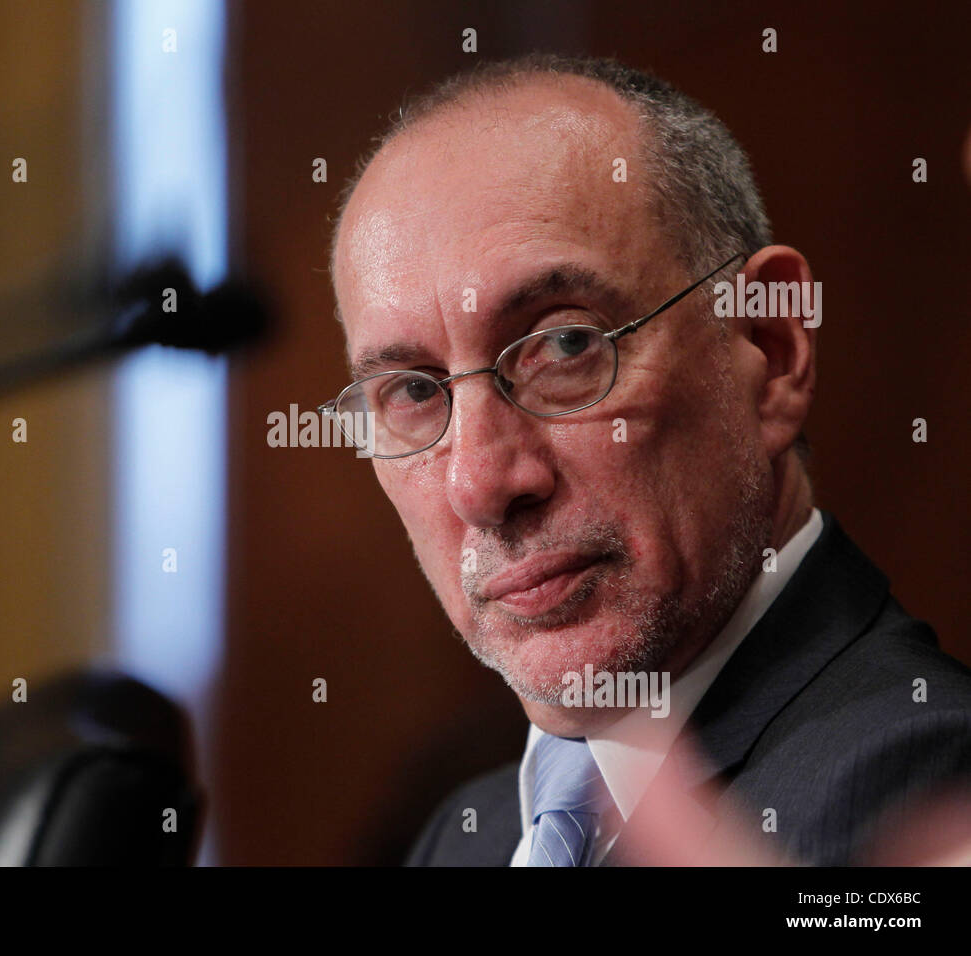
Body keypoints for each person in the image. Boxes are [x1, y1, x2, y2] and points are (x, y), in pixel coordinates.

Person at [323, 53, 971, 866]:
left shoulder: (924, 791)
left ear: (769, 351)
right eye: (414, 391)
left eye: (564, 344)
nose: (482, 483)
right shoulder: (465, 835)